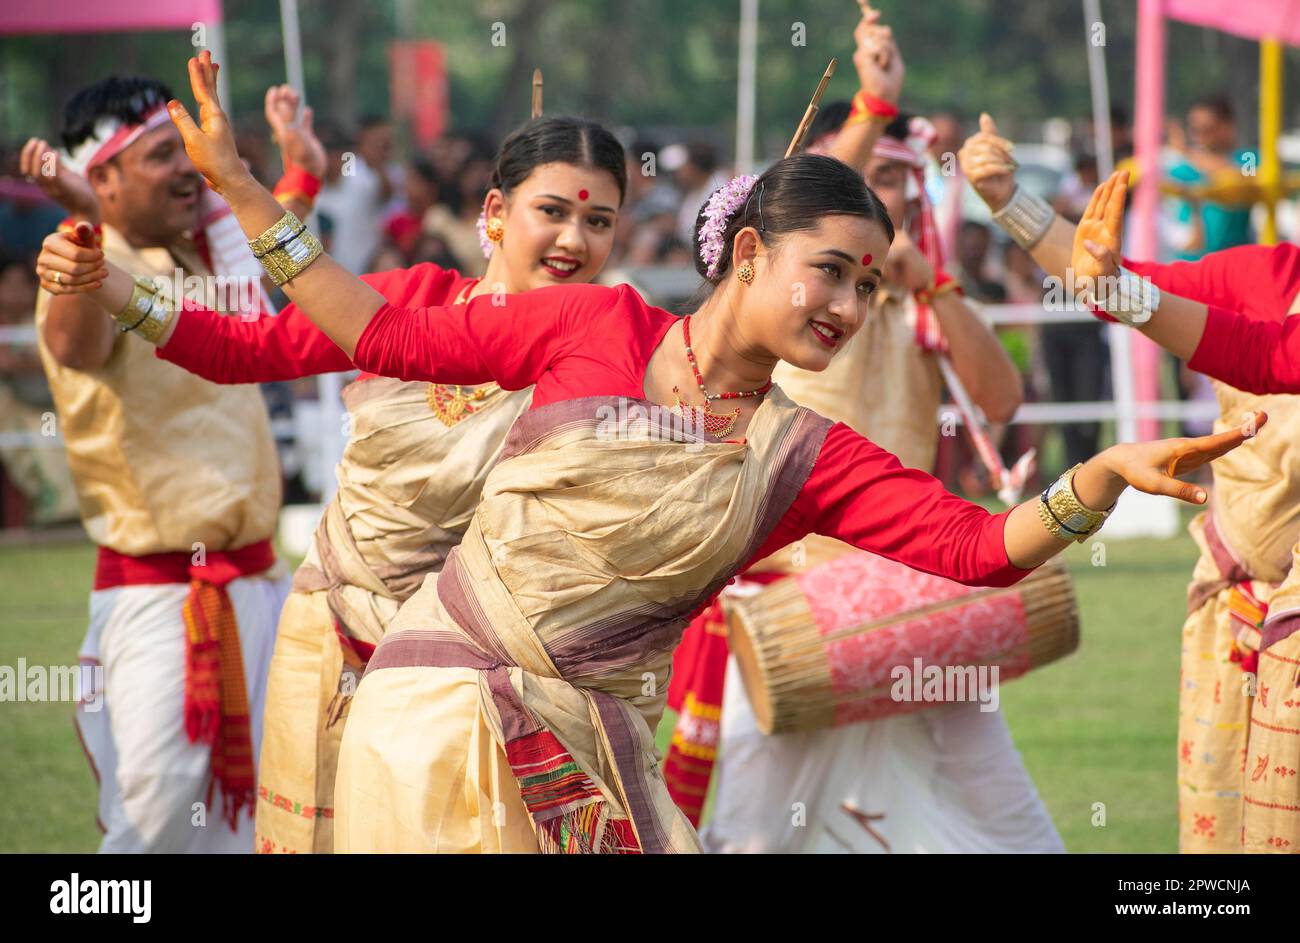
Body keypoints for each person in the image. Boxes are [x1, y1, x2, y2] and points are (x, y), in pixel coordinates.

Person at [64, 48, 1257, 855]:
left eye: (863, 278)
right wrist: (242, 189)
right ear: (743, 258)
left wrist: (1093, 481)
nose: (845, 304)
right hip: (425, 710)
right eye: (823, 271)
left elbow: (977, 547)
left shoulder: (804, 453)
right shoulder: (593, 325)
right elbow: (371, 328)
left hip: (591, 739)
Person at [679, 109, 1066, 854]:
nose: (893, 190)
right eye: (876, 173)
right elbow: (816, 195)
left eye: (901, 177)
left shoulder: (909, 299)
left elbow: (1002, 399)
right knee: (759, 830)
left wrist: (937, 287)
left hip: (911, 594)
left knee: (1002, 810)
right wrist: (872, 104)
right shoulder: (784, 305)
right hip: (788, 604)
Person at [960, 118, 1300, 853]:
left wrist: (1117, 289)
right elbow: (1111, 281)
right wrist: (1008, 199)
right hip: (1236, 616)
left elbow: (1256, 354)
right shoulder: (1269, 278)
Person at [19, 74, 308, 853]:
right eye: (160, 156)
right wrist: (80, 228)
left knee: (277, 819)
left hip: (262, 587)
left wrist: (301, 172)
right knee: (152, 831)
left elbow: (287, 270)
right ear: (100, 177)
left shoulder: (205, 249)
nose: (189, 168)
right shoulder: (88, 260)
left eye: (187, 150)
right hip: (165, 605)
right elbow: (72, 348)